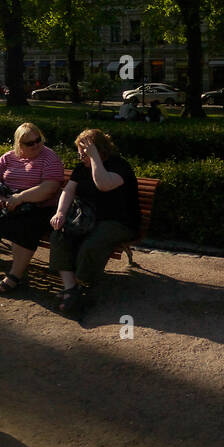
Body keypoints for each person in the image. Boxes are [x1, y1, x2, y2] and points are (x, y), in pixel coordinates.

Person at [49, 127, 144, 317]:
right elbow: (69, 190)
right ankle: (71, 288)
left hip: (120, 222)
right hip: (88, 218)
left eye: (84, 152)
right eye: (80, 152)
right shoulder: (81, 168)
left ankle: (83, 284)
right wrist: (60, 213)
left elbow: (103, 184)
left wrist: (94, 158)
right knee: (60, 233)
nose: (81, 157)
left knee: (92, 243)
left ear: (99, 150)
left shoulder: (119, 165)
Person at [0, 121, 68, 295]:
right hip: (8, 205)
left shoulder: (49, 157)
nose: (36, 145)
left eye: (38, 140)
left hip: (38, 207)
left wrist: (20, 198)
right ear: (19, 144)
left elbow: (50, 187)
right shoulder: (8, 157)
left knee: (26, 226)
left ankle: (15, 275)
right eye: (30, 143)